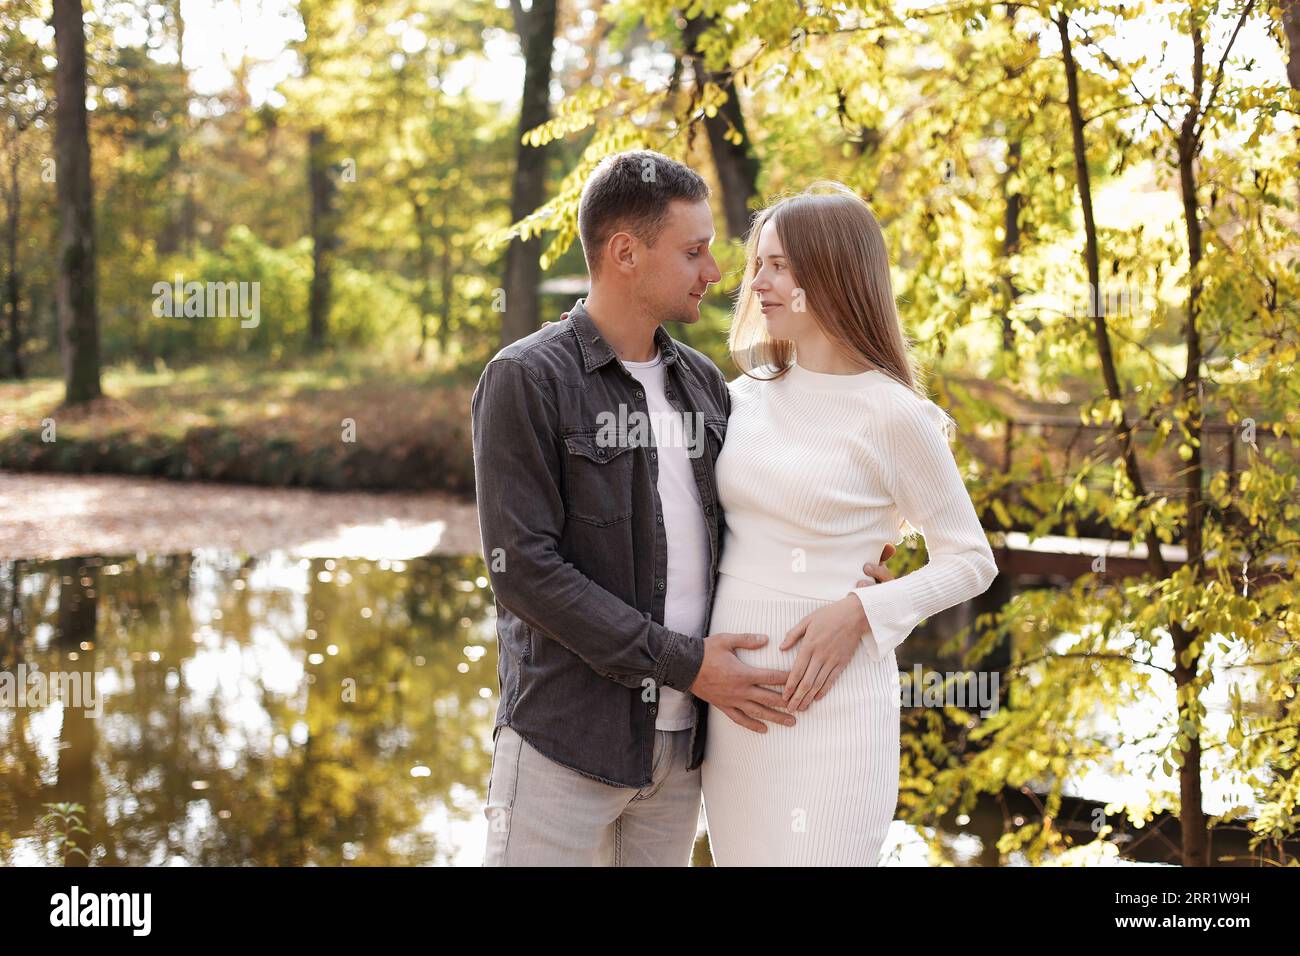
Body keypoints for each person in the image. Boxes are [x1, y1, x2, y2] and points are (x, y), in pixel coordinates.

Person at [470, 152, 892, 865]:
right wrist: (686, 664)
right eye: (695, 252)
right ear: (626, 253)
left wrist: (855, 584)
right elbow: (526, 573)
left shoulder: (704, 385)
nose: (719, 274)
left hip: (683, 756)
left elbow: (767, 513)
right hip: (564, 745)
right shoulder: (526, 379)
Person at [699, 181, 999, 865]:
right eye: (757, 266)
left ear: (831, 271)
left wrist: (863, 609)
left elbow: (970, 559)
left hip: (835, 710)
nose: (758, 283)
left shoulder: (892, 413)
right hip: (736, 709)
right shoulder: (738, 399)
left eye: (778, 265)